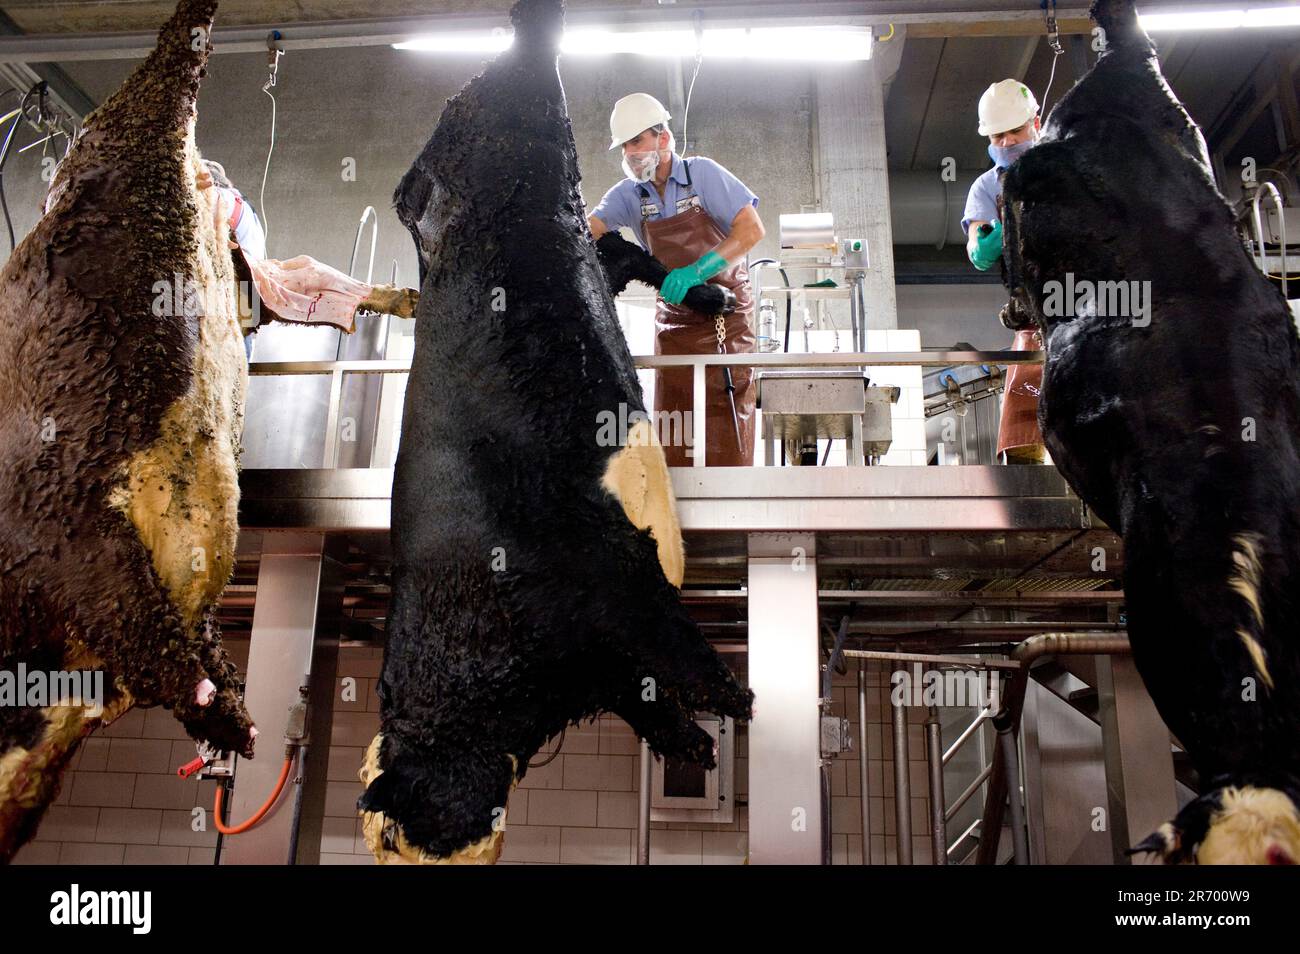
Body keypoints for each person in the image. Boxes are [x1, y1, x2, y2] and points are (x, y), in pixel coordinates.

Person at [587, 93, 765, 466]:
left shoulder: (703, 174)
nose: (631, 154)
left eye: (637, 142)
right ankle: (680, 520)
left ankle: (732, 515)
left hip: (725, 317)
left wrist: (696, 273)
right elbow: (587, 232)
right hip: (674, 321)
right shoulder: (628, 195)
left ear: (663, 139)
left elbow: (751, 230)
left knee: (726, 417)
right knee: (675, 422)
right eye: (625, 147)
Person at [961, 80, 1047, 466]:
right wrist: (993, 237)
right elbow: (978, 251)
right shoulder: (986, 188)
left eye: (1016, 130)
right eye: (999, 135)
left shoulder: (1074, 169)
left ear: (1037, 123)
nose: (1009, 141)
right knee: (1023, 437)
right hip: (1035, 317)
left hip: (1093, 311)